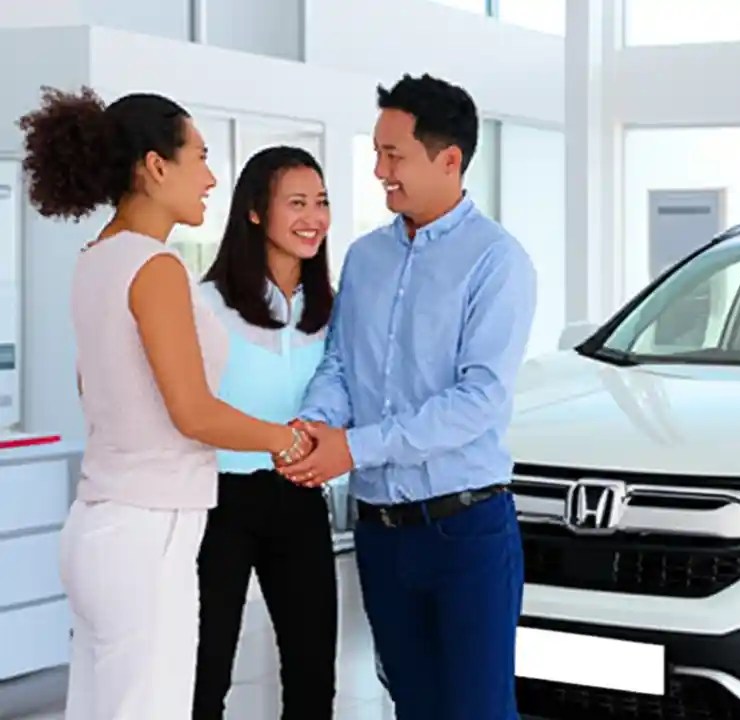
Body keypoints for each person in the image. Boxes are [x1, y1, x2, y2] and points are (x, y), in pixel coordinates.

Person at [17, 88, 314, 719]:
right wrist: (286, 440)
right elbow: (194, 412)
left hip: (100, 523)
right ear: (156, 166)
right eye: (200, 157)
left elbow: (93, 390)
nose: (211, 179)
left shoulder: (97, 258)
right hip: (148, 530)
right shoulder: (155, 267)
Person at [277, 72, 537, 719]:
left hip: (465, 531)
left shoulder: (497, 260)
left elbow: (479, 398)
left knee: (478, 712)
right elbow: (341, 364)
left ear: (449, 160)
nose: (378, 171)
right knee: (413, 709)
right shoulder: (365, 257)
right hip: (381, 534)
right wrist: (313, 427)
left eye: (393, 155)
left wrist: (354, 448)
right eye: (377, 153)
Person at [191, 146, 338, 719]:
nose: (314, 218)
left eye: (321, 202)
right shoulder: (205, 305)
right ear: (255, 211)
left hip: (299, 496)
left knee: (312, 677)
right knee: (205, 677)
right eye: (296, 203)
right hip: (217, 502)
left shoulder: (332, 308)